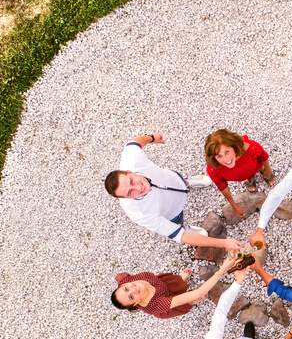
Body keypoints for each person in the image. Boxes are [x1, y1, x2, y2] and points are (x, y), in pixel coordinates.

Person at [104, 132, 241, 252]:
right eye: (130, 193)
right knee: (178, 224)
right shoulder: (140, 213)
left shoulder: (132, 159)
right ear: (126, 199)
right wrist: (223, 243)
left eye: (132, 181)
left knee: (180, 181)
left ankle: (187, 182)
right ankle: (185, 225)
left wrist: (151, 137)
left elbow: (132, 144)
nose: (138, 188)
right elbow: (180, 235)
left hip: (173, 180)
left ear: (130, 172)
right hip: (172, 212)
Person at [110, 255, 238, 319]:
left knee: (174, 282)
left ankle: (180, 279)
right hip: (167, 300)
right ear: (136, 303)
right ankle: (192, 302)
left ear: (122, 285)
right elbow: (198, 292)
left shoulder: (124, 279)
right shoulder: (157, 304)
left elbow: (119, 278)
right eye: (131, 297)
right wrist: (223, 269)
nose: (133, 289)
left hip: (162, 284)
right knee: (188, 300)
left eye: (126, 288)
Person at [203, 129, 276, 217]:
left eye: (227, 152)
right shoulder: (213, 169)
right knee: (245, 172)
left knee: (259, 166)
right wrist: (234, 206)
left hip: (254, 166)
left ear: (233, 147)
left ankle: (257, 172)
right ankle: (249, 177)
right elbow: (222, 187)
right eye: (219, 156)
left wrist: (267, 171)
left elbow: (263, 157)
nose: (226, 160)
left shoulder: (251, 148)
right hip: (240, 175)